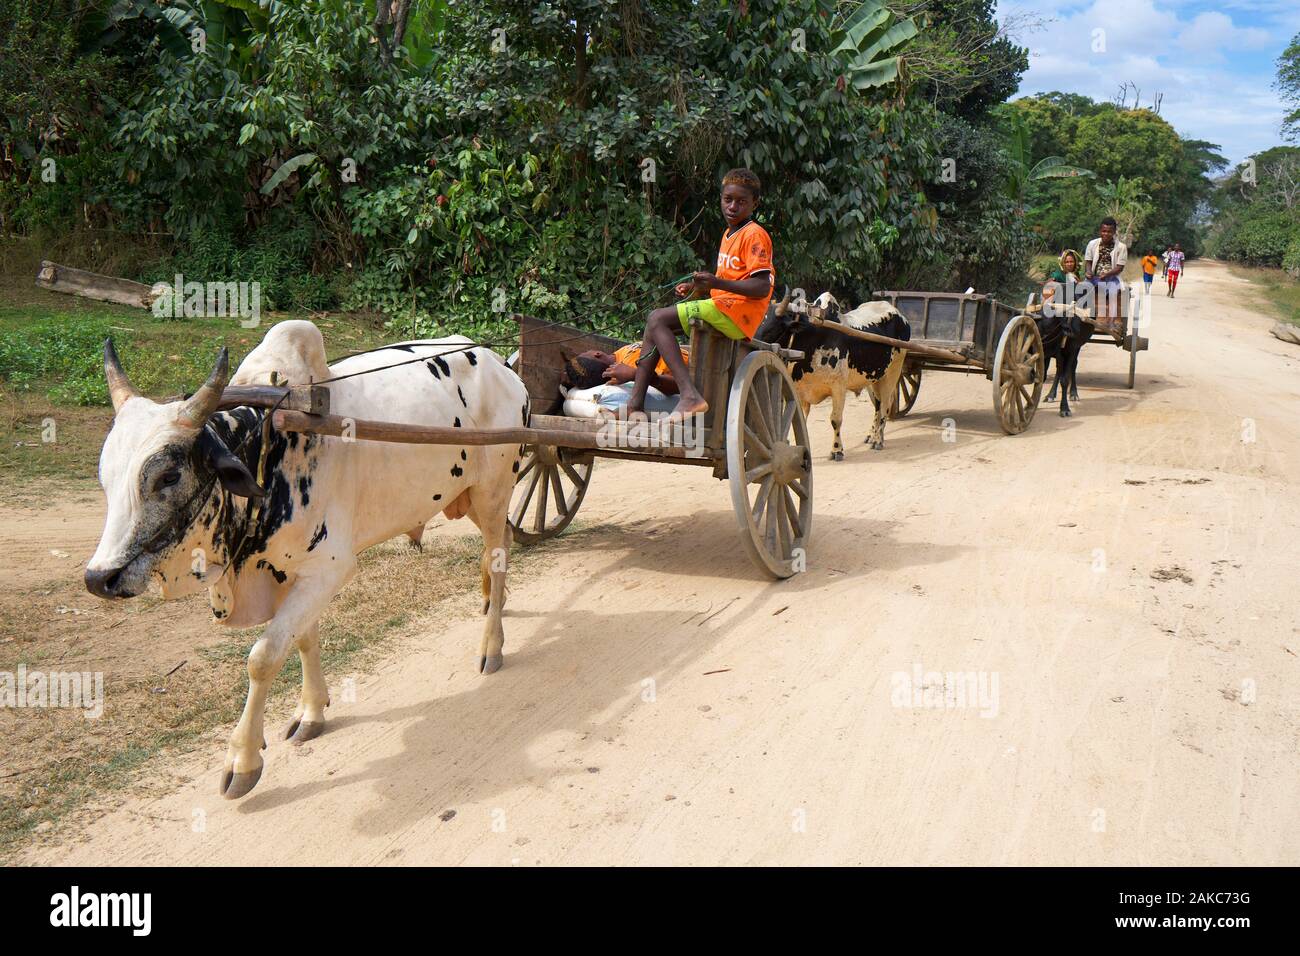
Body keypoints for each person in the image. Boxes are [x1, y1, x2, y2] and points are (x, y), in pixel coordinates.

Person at [626, 168, 775, 419]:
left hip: (738, 314)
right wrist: (698, 288)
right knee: (654, 326)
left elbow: (761, 287)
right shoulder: (729, 233)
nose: (733, 207)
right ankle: (634, 407)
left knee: (656, 318)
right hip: (723, 307)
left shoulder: (754, 234)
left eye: (741, 202)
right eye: (728, 200)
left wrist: (715, 282)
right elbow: (728, 281)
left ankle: (689, 395)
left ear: (755, 204)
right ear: (721, 199)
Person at [561, 344, 691, 415]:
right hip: (699, 375)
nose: (587, 349)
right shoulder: (631, 363)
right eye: (585, 351)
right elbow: (680, 386)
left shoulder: (621, 356)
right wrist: (636, 374)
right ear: (597, 354)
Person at [1083, 217, 1127, 330]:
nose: (1106, 233)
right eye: (1104, 231)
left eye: (1109, 231)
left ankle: (1111, 322)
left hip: (1111, 278)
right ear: (1100, 231)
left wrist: (1106, 274)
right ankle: (1081, 318)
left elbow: (1119, 268)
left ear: (1114, 232)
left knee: (1114, 291)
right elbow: (1088, 261)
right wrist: (1088, 272)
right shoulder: (1092, 244)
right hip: (1094, 277)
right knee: (1080, 289)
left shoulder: (1121, 247)